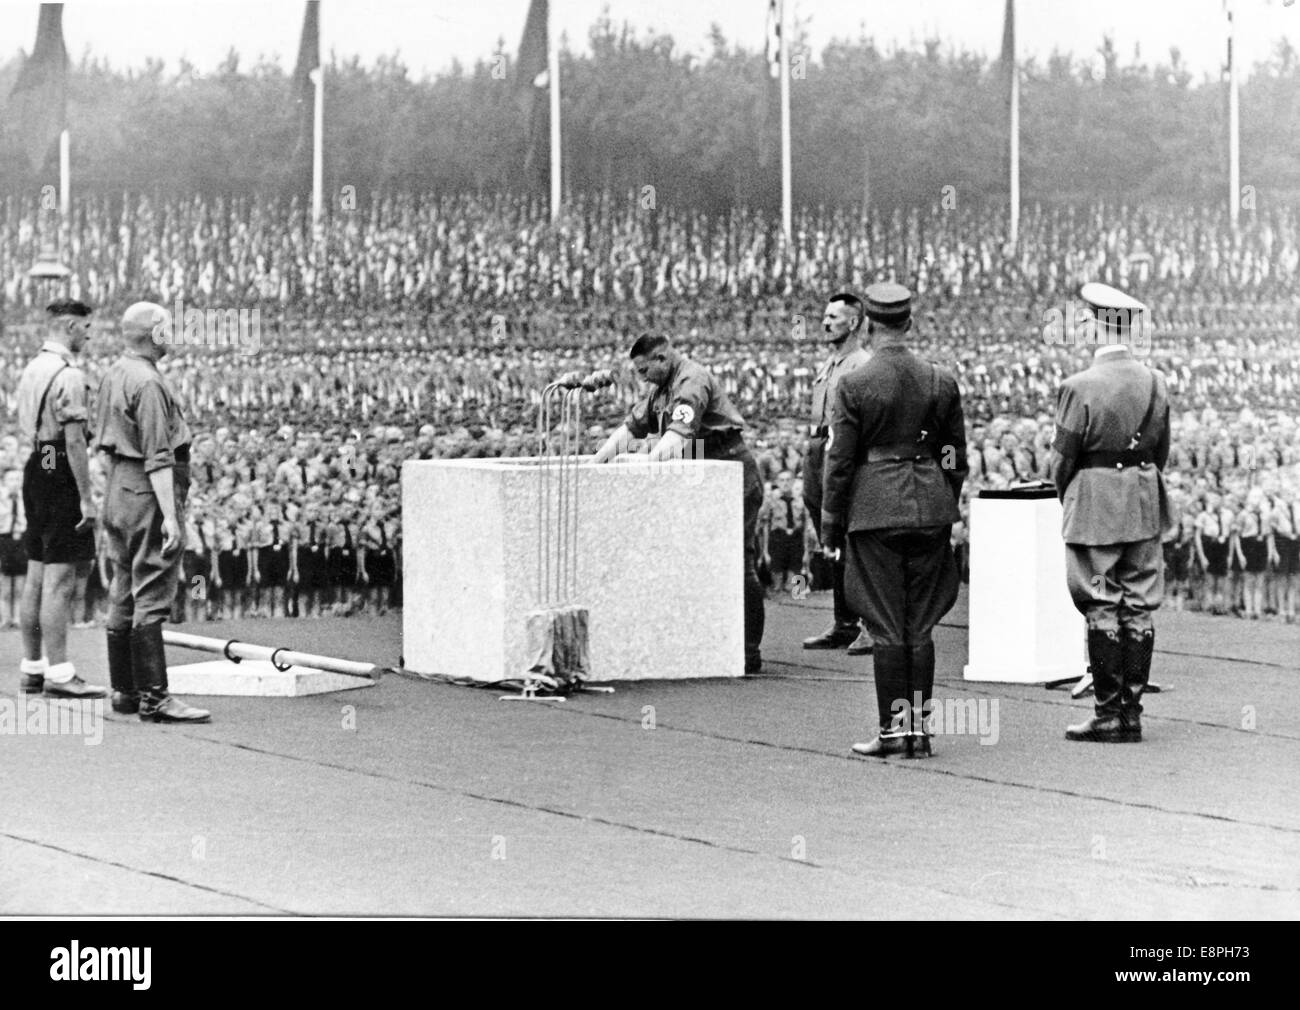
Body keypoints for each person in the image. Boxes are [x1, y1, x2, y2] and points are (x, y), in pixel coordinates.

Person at [820, 282, 967, 758]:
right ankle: (920, 732)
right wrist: (945, 495)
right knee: (920, 625)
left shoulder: (854, 383)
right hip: (929, 507)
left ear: (868, 325)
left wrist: (830, 525)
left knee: (885, 625)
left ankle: (891, 732)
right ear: (910, 323)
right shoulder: (939, 379)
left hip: (874, 510)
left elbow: (839, 461)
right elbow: (952, 454)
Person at [592, 333, 766, 674]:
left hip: (730, 470)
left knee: (737, 562)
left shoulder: (691, 381)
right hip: (702, 474)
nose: (641, 377)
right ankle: (714, 642)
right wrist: (595, 464)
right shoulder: (660, 388)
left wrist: (648, 467)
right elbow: (632, 428)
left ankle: (748, 652)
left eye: (644, 370)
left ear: (662, 358)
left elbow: (677, 435)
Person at [1049, 283, 1171, 744]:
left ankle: (1106, 714)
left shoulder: (1078, 386)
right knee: (1139, 603)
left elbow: (1062, 461)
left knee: (1100, 602)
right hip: (1142, 502)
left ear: (1096, 325)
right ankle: (1132, 714)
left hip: (1096, 504)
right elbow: (1162, 452)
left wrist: (1074, 495)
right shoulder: (1155, 381)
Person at [95, 301, 210, 723]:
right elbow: (159, 458)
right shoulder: (149, 384)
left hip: (119, 489)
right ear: (155, 334)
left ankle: (125, 690)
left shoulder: (116, 372)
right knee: (152, 593)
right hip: (148, 489)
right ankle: (155, 697)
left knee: (123, 586)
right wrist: (172, 518)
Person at [15, 299, 106, 698]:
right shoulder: (68, 375)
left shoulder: (33, 368)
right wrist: (85, 498)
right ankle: (61, 672)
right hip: (58, 472)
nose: (88, 336)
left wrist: (51, 469)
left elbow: (46, 444)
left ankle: (33, 666)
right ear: (69, 326)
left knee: (37, 573)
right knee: (60, 576)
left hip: (38, 464)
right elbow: (72, 441)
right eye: (85, 329)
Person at [802, 293, 874, 655]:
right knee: (831, 543)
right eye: (825, 316)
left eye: (835, 317)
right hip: (818, 451)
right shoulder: (829, 364)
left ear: (855, 323)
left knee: (851, 539)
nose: (826, 322)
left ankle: (870, 624)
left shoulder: (861, 365)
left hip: (843, 452)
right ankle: (844, 622)